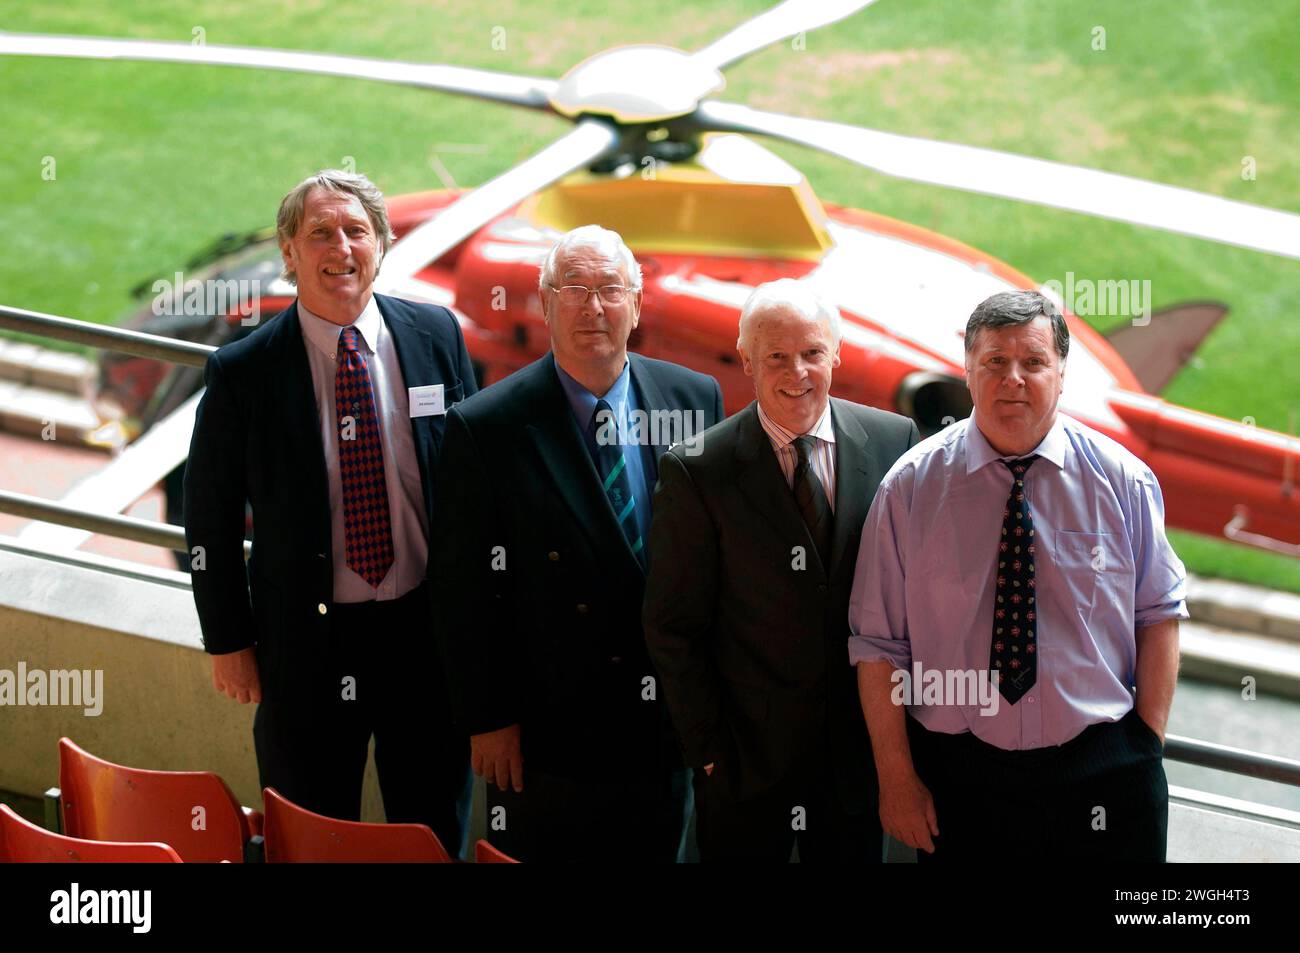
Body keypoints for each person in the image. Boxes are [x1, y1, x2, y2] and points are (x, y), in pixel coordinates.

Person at [184, 169, 476, 856]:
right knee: (312, 837)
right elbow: (211, 517)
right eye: (320, 233)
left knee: (432, 828)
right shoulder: (244, 371)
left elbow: (472, 481)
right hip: (306, 649)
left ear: (382, 243)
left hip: (425, 637)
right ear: (290, 251)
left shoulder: (436, 336)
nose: (339, 247)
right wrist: (228, 640)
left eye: (356, 230)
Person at [848, 289, 1186, 862]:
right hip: (961, 776)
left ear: (1061, 371)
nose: (1014, 380)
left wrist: (1145, 742)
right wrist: (897, 778)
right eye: (995, 363)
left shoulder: (1123, 482)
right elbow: (879, 645)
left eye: (1033, 362)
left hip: (1104, 769)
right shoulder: (909, 489)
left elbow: (1159, 613)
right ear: (968, 369)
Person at [430, 225, 724, 862]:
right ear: (544, 302)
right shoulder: (487, 426)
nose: (594, 307)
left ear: (637, 306)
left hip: (661, 720)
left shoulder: (692, 399)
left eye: (611, 290)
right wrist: (488, 718)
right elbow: (463, 589)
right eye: (575, 289)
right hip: (545, 732)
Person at [642, 279, 919, 862]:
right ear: (747, 361)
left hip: (856, 761)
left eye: (813, 353)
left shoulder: (895, 442)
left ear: (836, 354)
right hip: (743, 768)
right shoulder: (698, 470)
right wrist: (709, 750)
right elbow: (672, 626)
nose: (798, 371)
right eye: (777, 356)